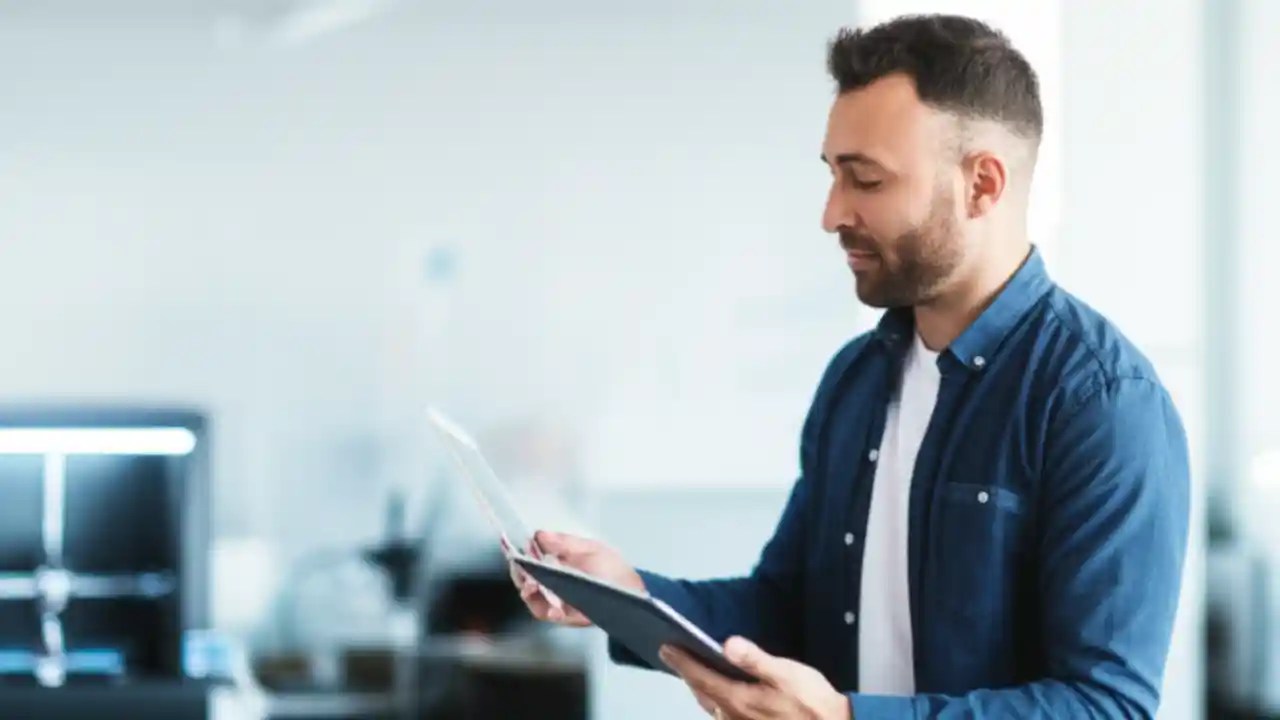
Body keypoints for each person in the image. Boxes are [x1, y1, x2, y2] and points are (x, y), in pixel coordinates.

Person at [512, 13, 1190, 719]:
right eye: (834, 175)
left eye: (864, 180)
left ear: (982, 184)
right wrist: (626, 597)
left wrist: (844, 719)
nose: (832, 213)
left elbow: (1104, 705)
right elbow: (787, 604)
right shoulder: (857, 380)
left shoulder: (1102, 403)